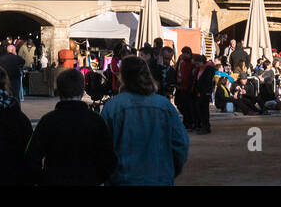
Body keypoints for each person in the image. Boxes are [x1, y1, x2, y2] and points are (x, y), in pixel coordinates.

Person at [100, 56, 189, 185]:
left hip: (123, 179)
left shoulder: (113, 107)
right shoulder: (165, 106)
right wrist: (169, 170)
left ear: (122, 76)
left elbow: (103, 149)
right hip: (159, 178)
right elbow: (181, 144)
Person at [27, 68, 116, 185]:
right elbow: (109, 158)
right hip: (87, 179)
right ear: (82, 89)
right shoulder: (96, 120)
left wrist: (43, 179)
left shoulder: (48, 121)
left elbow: (32, 157)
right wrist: (96, 178)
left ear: (59, 90)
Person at [0, 42, 24, 107]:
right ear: (12, 50)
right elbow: (23, 61)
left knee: (6, 95)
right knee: (16, 95)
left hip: (5, 79)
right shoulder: (16, 58)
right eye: (15, 50)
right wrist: (15, 55)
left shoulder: (2, 59)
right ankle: (17, 109)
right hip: (15, 79)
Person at [192, 55, 214, 134]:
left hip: (205, 93)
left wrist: (203, 92)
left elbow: (207, 82)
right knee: (201, 110)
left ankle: (205, 127)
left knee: (204, 111)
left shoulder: (208, 69)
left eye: (197, 64)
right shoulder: (200, 69)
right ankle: (204, 126)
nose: (196, 66)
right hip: (200, 92)